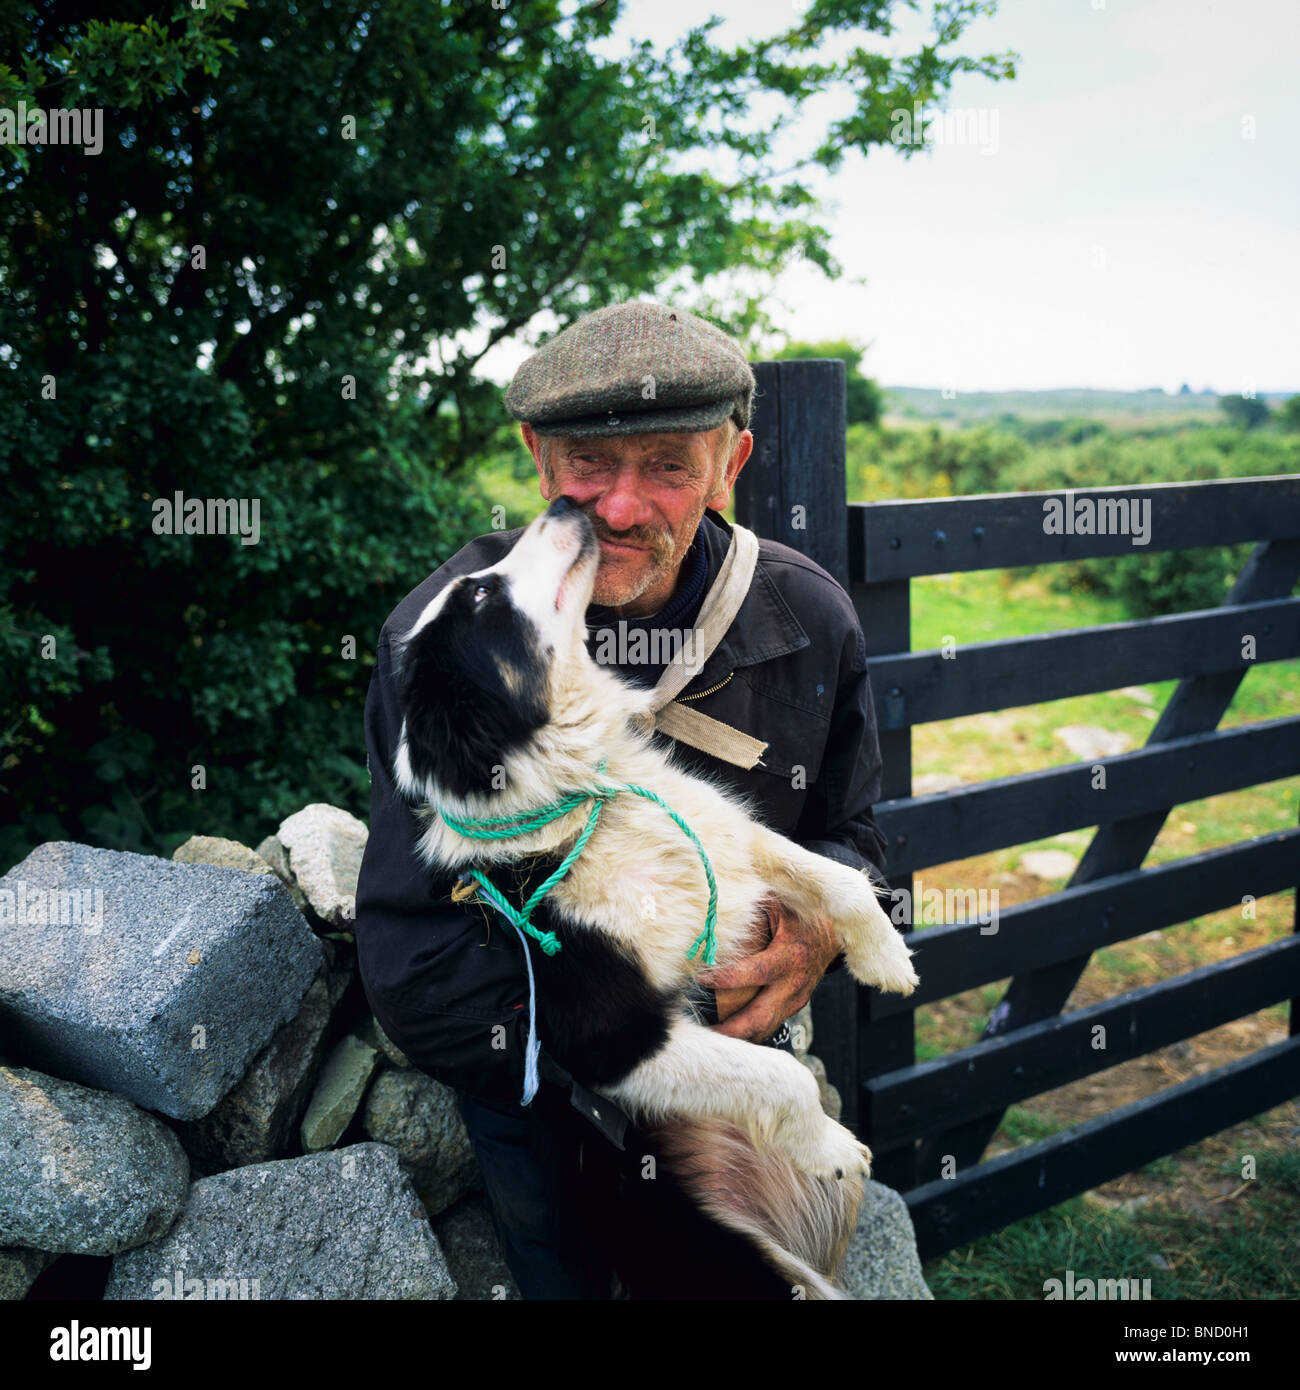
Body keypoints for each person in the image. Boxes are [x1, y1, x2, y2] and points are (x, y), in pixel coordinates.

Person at [354, 300, 891, 1298]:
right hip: (540, 1092)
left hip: (749, 1070)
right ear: (535, 456)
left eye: (669, 466)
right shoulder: (439, 653)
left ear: (733, 462)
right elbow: (411, 950)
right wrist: (621, 1047)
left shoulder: (806, 615)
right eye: (588, 466)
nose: (620, 509)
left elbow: (854, 839)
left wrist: (815, 938)